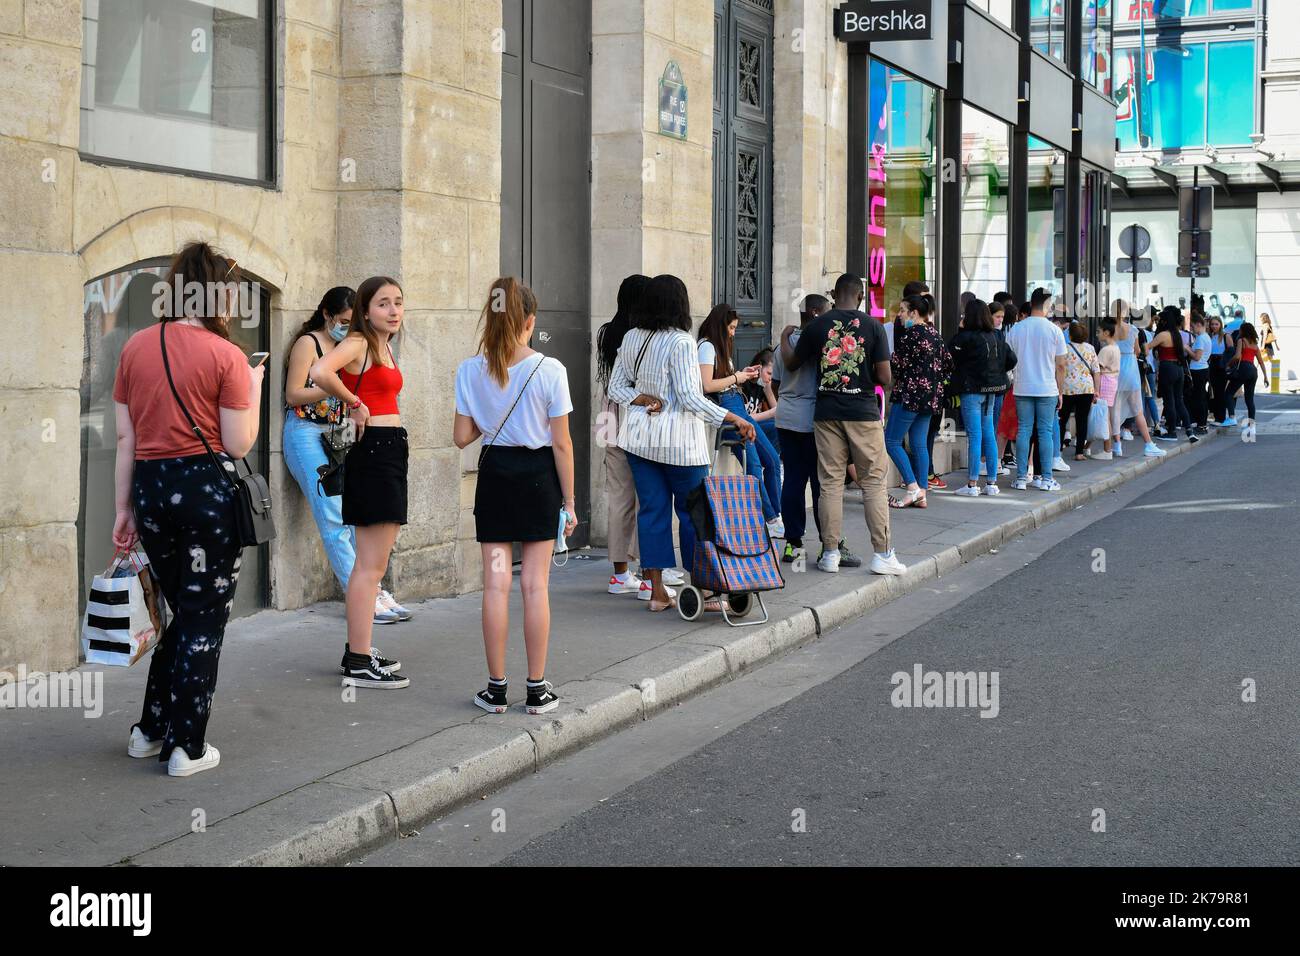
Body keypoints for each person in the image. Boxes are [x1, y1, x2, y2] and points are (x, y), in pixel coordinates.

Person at [111, 241, 265, 777]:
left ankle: (149, 731)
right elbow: (238, 444)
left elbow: (126, 439)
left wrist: (122, 509)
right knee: (204, 619)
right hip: (203, 490)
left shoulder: (135, 347)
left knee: (180, 613)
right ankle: (186, 747)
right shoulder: (225, 356)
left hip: (151, 490)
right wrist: (255, 384)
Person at [453, 277, 574, 716]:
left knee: (497, 583)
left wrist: (491, 412)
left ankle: (496, 688)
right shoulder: (551, 370)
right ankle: (537, 690)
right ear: (530, 322)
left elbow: (461, 436)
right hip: (538, 479)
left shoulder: (470, 370)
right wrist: (571, 502)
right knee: (535, 585)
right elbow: (562, 444)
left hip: (497, 480)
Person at [609, 275, 756, 611]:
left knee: (652, 513)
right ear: (681, 305)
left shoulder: (632, 337)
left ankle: (656, 592)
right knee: (694, 515)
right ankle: (702, 590)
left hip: (639, 442)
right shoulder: (682, 342)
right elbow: (691, 398)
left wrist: (642, 396)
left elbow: (615, 389)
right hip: (680, 447)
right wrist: (732, 417)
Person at [283, 286, 412, 626]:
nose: (346, 325)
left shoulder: (353, 345)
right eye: (342, 319)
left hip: (340, 434)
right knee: (333, 515)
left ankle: (372, 590)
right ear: (327, 314)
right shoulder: (308, 343)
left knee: (355, 516)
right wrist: (345, 396)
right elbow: (294, 393)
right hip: (307, 433)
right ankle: (359, 595)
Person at [309, 276, 411, 689]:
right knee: (369, 566)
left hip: (386, 449)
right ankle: (357, 658)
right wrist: (354, 403)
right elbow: (318, 371)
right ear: (366, 310)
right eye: (383, 303)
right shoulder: (360, 343)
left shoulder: (382, 345)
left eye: (398, 302)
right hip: (374, 451)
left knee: (373, 565)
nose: (393, 310)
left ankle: (361, 649)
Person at [784, 273, 906, 576]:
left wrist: (785, 338)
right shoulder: (874, 326)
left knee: (830, 484)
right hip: (863, 412)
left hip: (826, 413)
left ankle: (830, 553)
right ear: (860, 297)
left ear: (834, 294)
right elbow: (886, 378)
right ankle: (882, 554)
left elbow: (791, 364)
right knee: (874, 482)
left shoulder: (818, 325)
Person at [595, 274, 685, 600]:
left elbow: (609, 381)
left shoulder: (607, 332)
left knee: (619, 497)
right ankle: (651, 574)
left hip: (609, 415)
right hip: (637, 416)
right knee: (649, 499)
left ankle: (620, 574)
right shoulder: (643, 335)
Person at [698, 304, 784, 539]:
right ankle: (770, 518)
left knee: (773, 460)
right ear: (720, 326)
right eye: (732, 327)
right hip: (728, 408)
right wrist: (737, 377)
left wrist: (744, 374)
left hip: (736, 402)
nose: (734, 333)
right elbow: (706, 385)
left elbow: (725, 381)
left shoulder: (719, 348)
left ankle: (776, 515)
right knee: (753, 464)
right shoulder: (706, 347)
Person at [885, 294, 951, 509]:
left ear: (914, 312)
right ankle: (922, 492)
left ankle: (912, 487)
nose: (900, 315)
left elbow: (895, 367)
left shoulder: (909, 335)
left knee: (892, 441)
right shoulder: (935, 333)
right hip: (931, 397)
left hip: (909, 395)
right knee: (919, 443)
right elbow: (948, 363)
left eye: (903, 310)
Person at [949, 297, 1015, 497]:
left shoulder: (966, 337)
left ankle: (972, 484)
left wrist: (961, 330)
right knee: (989, 434)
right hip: (993, 391)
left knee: (975, 436)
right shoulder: (996, 336)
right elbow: (1012, 359)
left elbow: (951, 354)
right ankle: (992, 483)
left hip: (972, 391)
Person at [1005, 288, 1067, 491]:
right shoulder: (1054, 330)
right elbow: (1061, 365)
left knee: (1024, 430)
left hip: (1022, 386)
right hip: (1047, 388)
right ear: (1048, 305)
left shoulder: (1016, 329)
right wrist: (1060, 391)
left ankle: (1022, 477)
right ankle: (1046, 479)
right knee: (1045, 432)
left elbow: (1009, 359)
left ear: (1031, 304)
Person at [1109, 299, 1165, 459]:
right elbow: (1138, 350)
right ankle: (1148, 444)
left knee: (1115, 408)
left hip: (1115, 368)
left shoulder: (1110, 329)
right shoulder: (1133, 329)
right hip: (1131, 369)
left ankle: (1117, 445)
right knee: (1137, 410)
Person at [1147, 305, 1198, 443]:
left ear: (1165, 321)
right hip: (1179, 369)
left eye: (1160, 320)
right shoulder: (1178, 334)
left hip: (1167, 368)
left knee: (1169, 401)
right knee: (1179, 401)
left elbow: (1147, 347)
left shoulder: (1163, 335)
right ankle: (1189, 431)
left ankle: (1172, 432)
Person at [1060, 321, 1100, 462]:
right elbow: (1096, 371)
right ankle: (1079, 453)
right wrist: (1097, 390)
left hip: (1067, 388)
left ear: (1070, 335)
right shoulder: (1090, 348)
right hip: (1086, 388)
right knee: (1082, 419)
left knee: (1062, 419)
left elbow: (1060, 368)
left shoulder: (1065, 348)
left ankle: (1058, 451)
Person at [1224, 321, 1270, 441]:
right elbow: (1260, 361)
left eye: (1240, 330)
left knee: (1228, 393)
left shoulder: (1241, 341)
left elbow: (1238, 356)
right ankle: (1252, 427)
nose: (1239, 332)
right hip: (1253, 371)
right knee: (1249, 399)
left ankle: (1232, 417)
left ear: (1243, 331)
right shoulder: (1254, 344)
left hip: (1243, 369)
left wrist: (1228, 364)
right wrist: (1265, 376)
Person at [743, 347, 781, 451]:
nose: (770, 378)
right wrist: (769, 414)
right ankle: (771, 459)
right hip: (743, 427)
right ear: (759, 367)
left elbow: (778, 413)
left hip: (754, 425)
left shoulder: (762, 387)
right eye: (769, 373)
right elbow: (744, 418)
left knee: (782, 424)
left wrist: (768, 390)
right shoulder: (744, 384)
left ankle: (773, 459)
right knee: (777, 426)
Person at [1206, 314, 1232, 426]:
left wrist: (1228, 365)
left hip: (1222, 364)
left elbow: (1231, 351)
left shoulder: (1226, 336)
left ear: (1220, 324)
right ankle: (1216, 415)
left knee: (1220, 391)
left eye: (1216, 324)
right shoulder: (1209, 336)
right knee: (1214, 391)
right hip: (1212, 363)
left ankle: (1220, 418)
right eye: (1212, 324)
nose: (1214, 326)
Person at [1187, 314, 1212, 433]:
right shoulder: (1205, 337)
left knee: (1199, 397)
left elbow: (1197, 357)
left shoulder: (1201, 338)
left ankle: (1201, 425)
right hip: (1202, 369)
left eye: (1192, 327)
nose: (1192, 329)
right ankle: (1201, 423)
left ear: (1198, 325)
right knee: (1200, 397)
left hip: (1198, 370)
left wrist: (1187, 349)